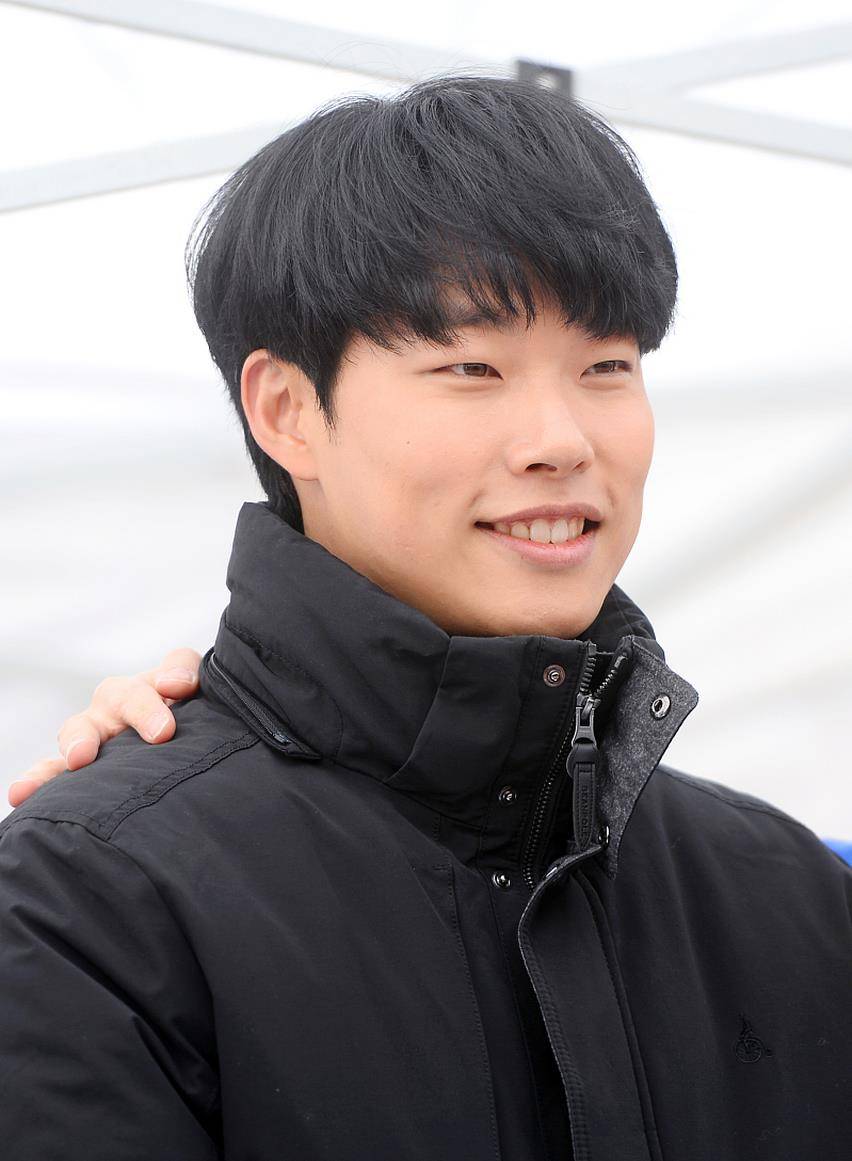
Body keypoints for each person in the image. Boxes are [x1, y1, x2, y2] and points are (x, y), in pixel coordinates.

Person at [2, 72, 850, 1161]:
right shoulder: (96, 897)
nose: (561, 440)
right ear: (287, 410)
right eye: (472, 367)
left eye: (606, 366)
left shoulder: (792, 892)